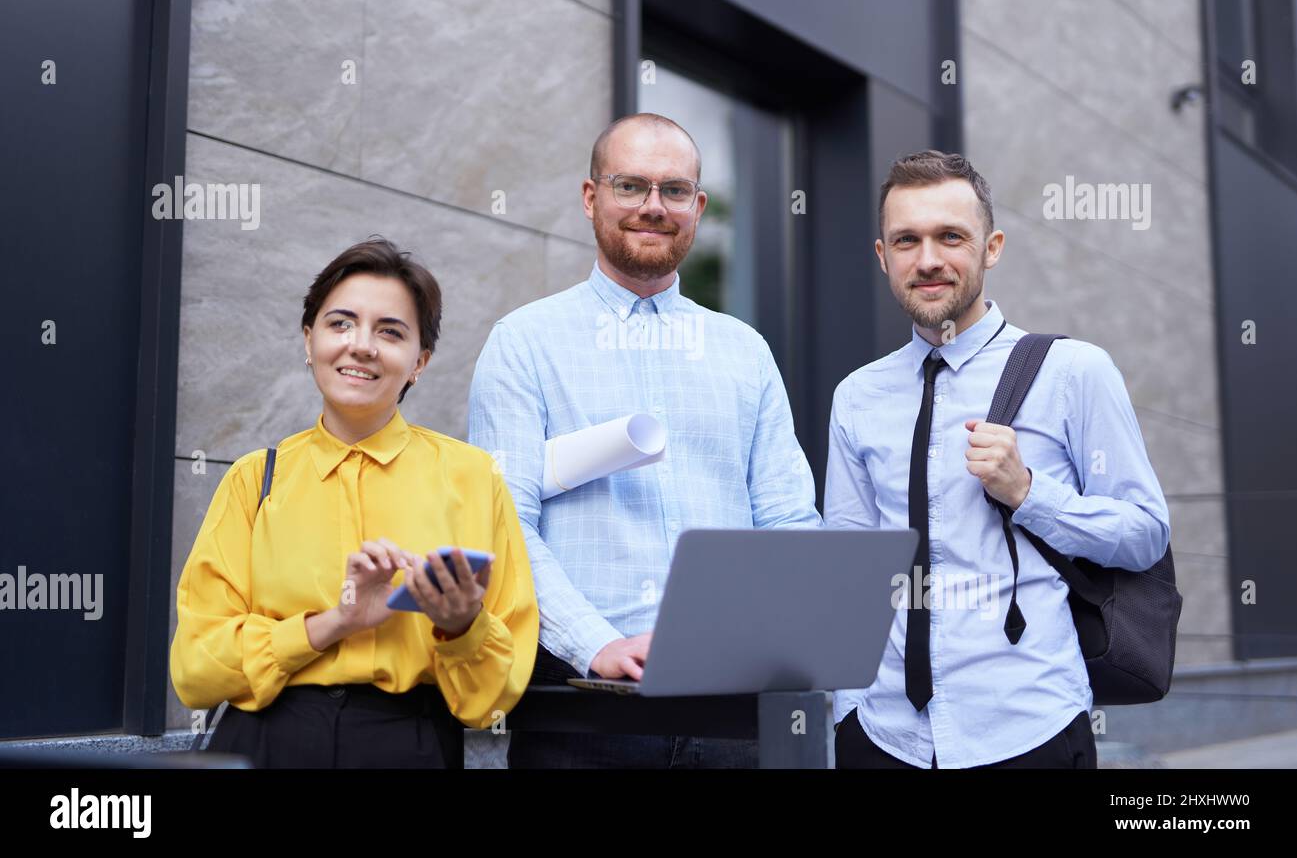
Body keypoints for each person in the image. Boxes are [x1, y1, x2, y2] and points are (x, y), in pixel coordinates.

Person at [468, 113, 822, 768]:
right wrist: (595, 642)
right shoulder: (524, 344)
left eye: (674, 190)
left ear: (698, 205)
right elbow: (502, 526)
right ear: (590, 196)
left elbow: (787, 521)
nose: (653, 207)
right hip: (581, 712)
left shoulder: (745, 353)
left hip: (733, 718)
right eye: (630, 186)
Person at [826, 150, 1170, 769]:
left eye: (950, 237)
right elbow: (845, 563)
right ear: (883, 257)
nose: (928, 259)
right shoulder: (856, 396)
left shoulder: (1073, 372)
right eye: (907, 240)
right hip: (883, 736)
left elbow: (1144, 535)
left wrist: (1030, 493)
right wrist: (847, 711)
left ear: (992, 247)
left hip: (1027, 728)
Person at [170, 237, 538, 768]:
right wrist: (333, 623)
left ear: (420, 362)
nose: (361, 345)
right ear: (308, 340)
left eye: (390, 332)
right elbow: (195, 670)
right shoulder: (255, 479)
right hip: (266, 741)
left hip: (409, 745)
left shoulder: (473, 478)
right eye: (340, 323)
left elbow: (492, 700)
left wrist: (462, 625)